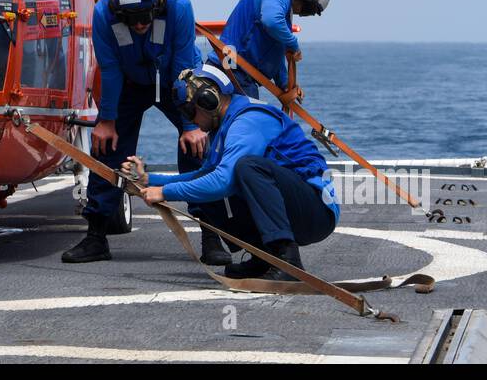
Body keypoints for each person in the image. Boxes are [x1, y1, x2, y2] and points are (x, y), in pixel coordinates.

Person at [62, 0, 230, 265]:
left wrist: (191, 125)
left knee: (197, 147)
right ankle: (96, 236)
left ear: (156, 8)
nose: (139, 25)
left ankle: (211, 236)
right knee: (107, 147)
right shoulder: (103, 13)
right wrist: (107, 120)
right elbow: (110, 68)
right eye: (132, 20)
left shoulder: (178, 6)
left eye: (144, 18)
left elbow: (183, 67)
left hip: (178, 79)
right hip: (130, 82)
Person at [124, 65, 340, 280]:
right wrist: (149, 180)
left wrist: (164, 193)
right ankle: (264, 257)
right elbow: (204, 177)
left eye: (189, 111)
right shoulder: (224, 126)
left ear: (208, 100)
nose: (190, 120)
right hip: (296, 206)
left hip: (317, 210)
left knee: (248, 168)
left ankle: (287, 260)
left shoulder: (247, 121)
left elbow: (222, 182)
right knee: (207, 186)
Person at [209, 0, 330, 99]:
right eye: (309, 6)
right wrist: (293, 45)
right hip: (232, 69)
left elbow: (275, 50)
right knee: (250, 111)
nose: (303, 12)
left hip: (235, 71)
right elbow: (271, 21)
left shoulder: (281, 5)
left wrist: (285, 84)